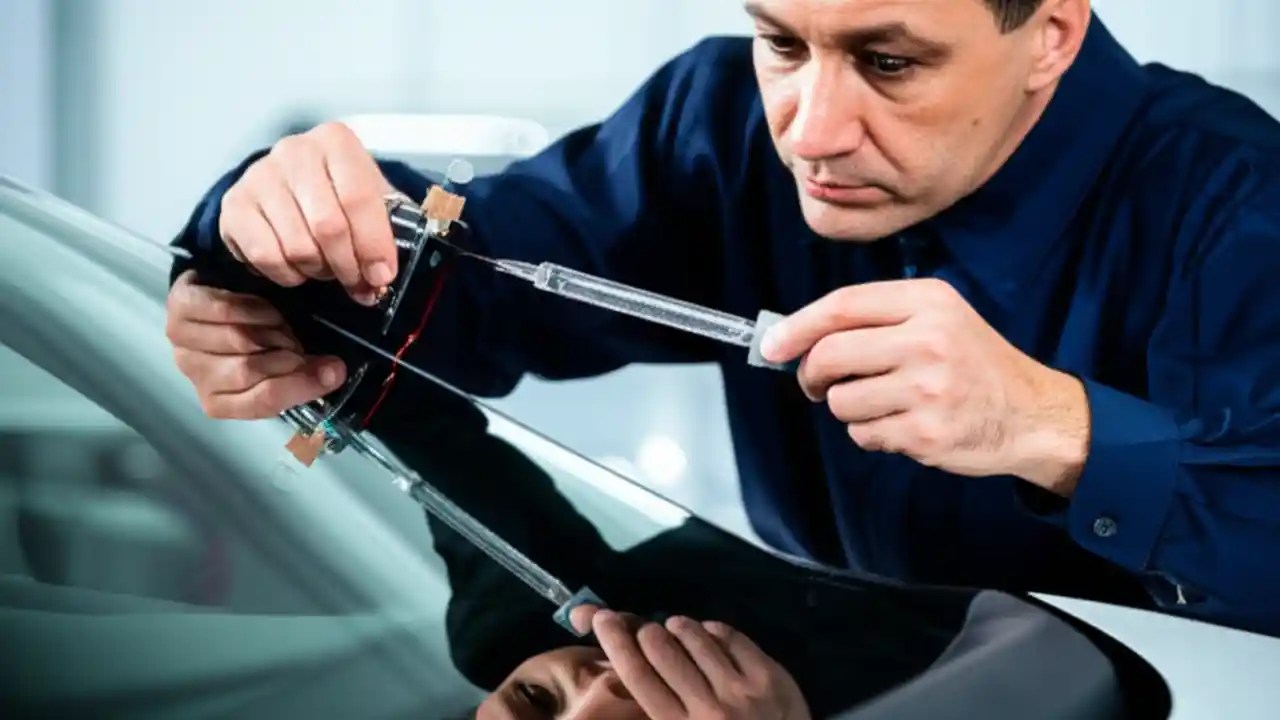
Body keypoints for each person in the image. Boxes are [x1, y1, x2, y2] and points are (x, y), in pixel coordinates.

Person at [165, 0, 1280, 636]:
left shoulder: (1236, 203)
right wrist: (273, 219)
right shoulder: (718, 122)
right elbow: (479, 285)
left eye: (888, 63)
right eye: (782, 42)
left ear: (1048, 32)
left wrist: (1060, 432)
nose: (810, 129)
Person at [362, 373, 1141, 719]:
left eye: (534, 702)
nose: (600, 685)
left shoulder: (519, 628)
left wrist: (274, 288)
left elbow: (425, 434)